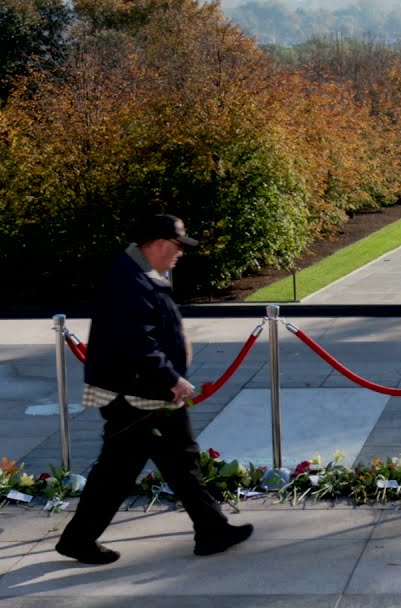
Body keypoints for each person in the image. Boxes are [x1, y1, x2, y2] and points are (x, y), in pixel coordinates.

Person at [56, 214, 253, 564]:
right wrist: (172, 378)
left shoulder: (137, 274)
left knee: (172, 461)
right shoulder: (128, 280)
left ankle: (211, 529)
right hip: (139, 394)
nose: (180, 253)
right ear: (159, 244)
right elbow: (136, 342)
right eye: (178, 246)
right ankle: (79, 538)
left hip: (144, 391)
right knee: (130, 468)